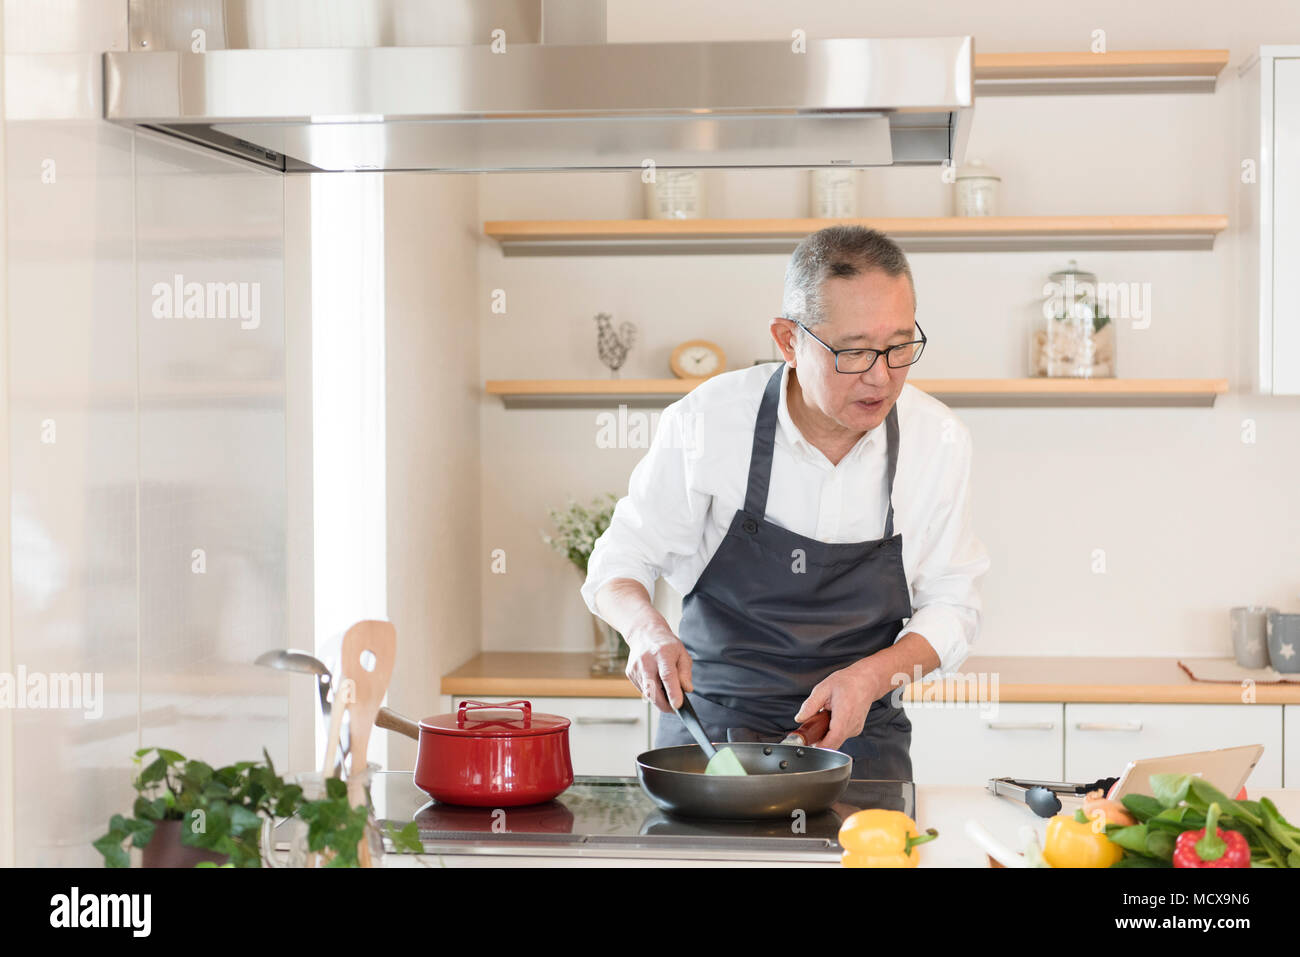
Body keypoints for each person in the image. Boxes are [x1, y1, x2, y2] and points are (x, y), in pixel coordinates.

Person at [580, 225, 990, 780]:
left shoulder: (937, 439)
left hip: (859, 741)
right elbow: (620, 563)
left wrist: (870, 678)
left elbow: (953, 603)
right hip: (711, 738)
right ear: (788, 341)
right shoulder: (708, 421)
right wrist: (647, 631)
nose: (881, 376)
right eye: (852, 351)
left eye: (899, 347)